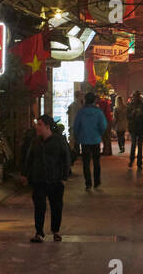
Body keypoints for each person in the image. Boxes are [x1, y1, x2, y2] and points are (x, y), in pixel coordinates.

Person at [22, 114, 71, 242]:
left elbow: (66, 159)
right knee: (39, 207)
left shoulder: (59, 141)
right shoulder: (35, 142)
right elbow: (29, 158)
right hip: (38, 180)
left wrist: (64, 178)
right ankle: (39, 232)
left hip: (55, 179)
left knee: (56, 207)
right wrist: (26, 175)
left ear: (47, 127)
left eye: (40, 125)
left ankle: (56, 231)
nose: (37, 128)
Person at [73, 92, 108, 191]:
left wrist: (77, 136)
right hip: (95, 140)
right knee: (96, 162)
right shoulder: (98, 112)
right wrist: (99, 134)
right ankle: (97, 182)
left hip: (84, 140)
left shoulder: (81, 112)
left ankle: (88, 183)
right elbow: (103, 125)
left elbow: (76, 126)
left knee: (86, 163)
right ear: (94, 100)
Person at [127, 91, 143, 169]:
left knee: (140, 145)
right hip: (133, 127)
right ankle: (131, 160)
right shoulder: (130, 105)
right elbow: (128, 116)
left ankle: (139, 163)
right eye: (135, 96)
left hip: (140, 127)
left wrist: (142, 114)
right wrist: (132, 114)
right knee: (133, 145)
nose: (136, 98)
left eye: (137, 96)